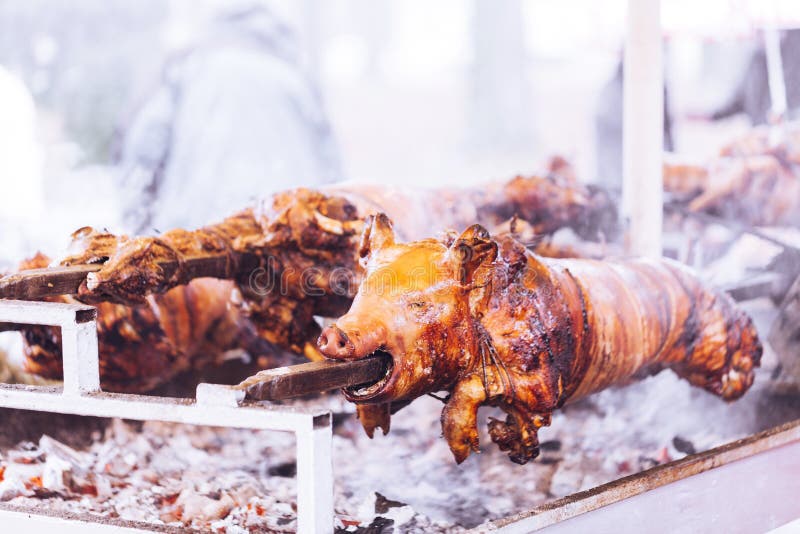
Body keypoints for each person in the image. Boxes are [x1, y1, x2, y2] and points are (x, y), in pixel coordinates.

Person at [116, 2, 342, 234]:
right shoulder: (295, 78)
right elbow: (331, 165)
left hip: (199, 226)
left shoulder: (190, 67)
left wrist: (138, 224)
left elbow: (145, 146)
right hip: (288, 226)